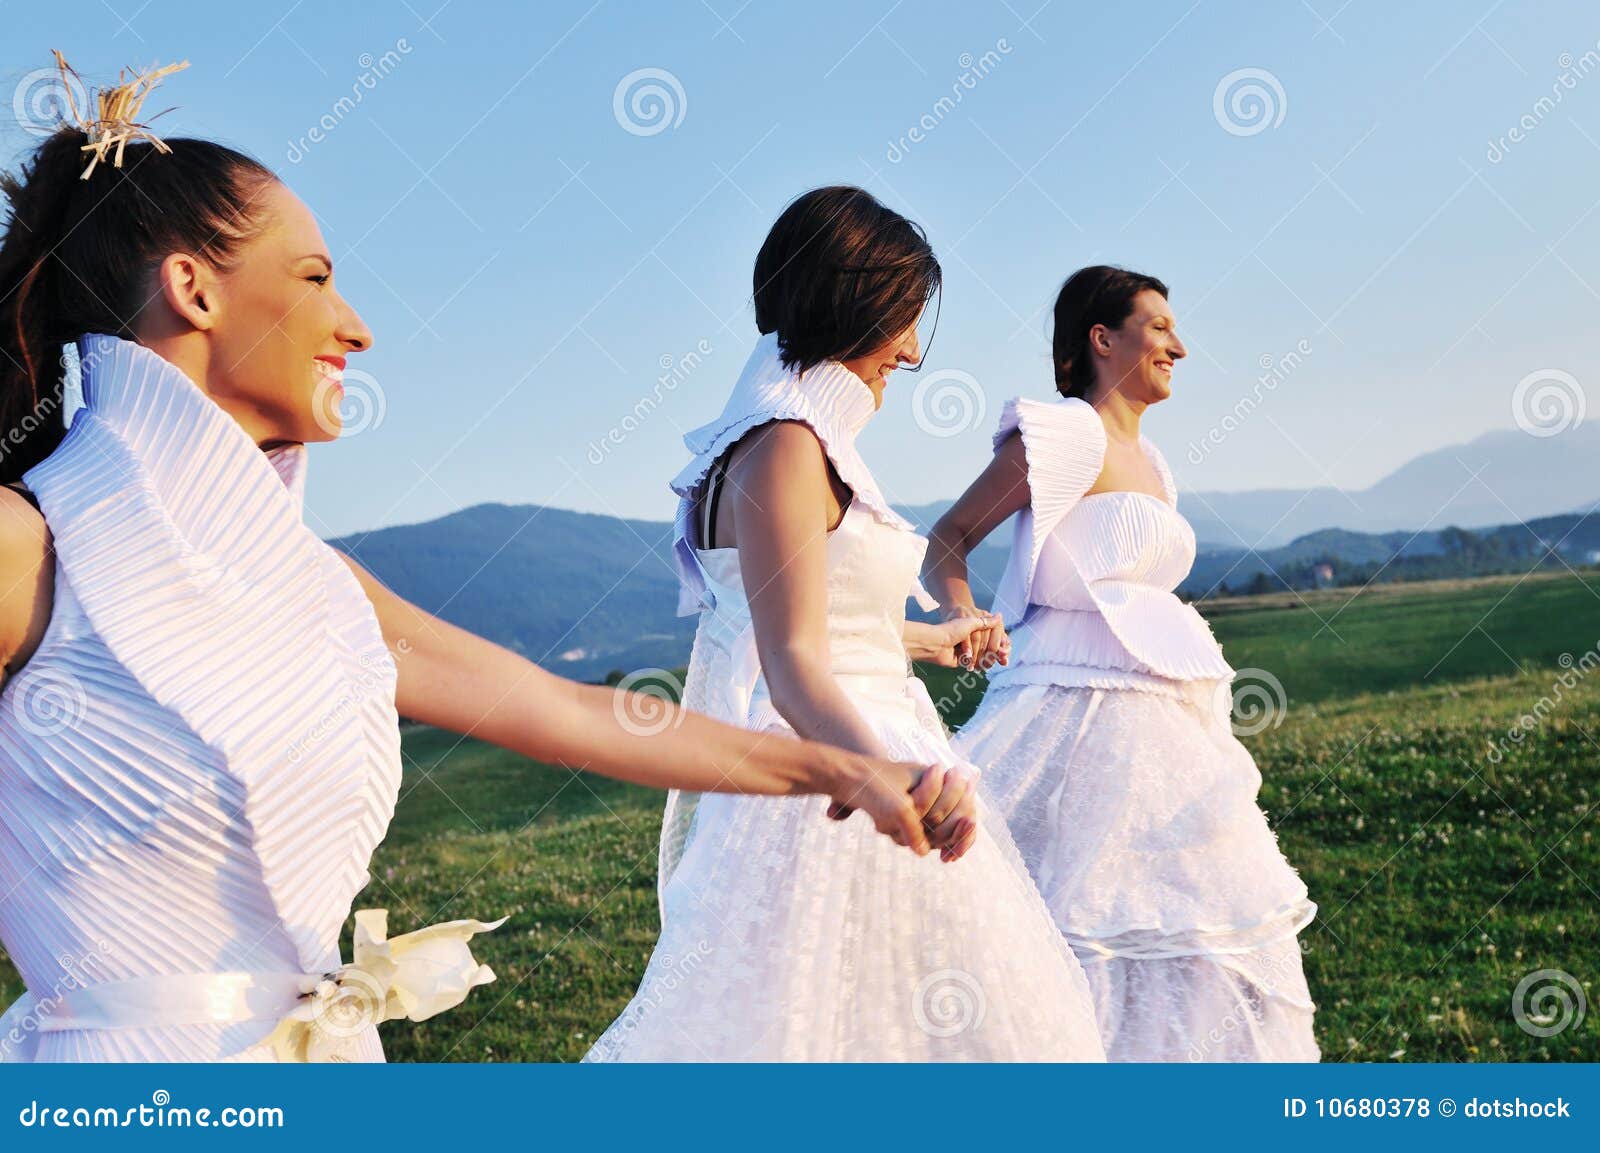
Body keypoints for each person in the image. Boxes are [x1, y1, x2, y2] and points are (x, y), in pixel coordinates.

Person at [0, 57, 940, 1064]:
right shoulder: (31, 545)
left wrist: (840, 769)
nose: (354, 326)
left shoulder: (318, 584)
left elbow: (569, 710)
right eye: (315, 277)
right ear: (191, 287)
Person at [586, 187, 1106, 1061]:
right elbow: (790, 664)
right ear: (854, 300)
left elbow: (797, 621)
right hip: (838, 777)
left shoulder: (775, 436)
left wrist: (930, 639)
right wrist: (883, 776)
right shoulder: (787, 444)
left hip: (860, 746)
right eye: (904, 317)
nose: (908, 351)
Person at [925, 265, 1319, 1061]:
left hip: (1160, 716)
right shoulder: (1068, 433)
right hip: (1068, 704)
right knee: (1061, 917)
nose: (1179, 343)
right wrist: (961, 612)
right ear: (1103, 340)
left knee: (1186, 923)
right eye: (1160, 326)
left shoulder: (1158, 464)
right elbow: (949, 536)